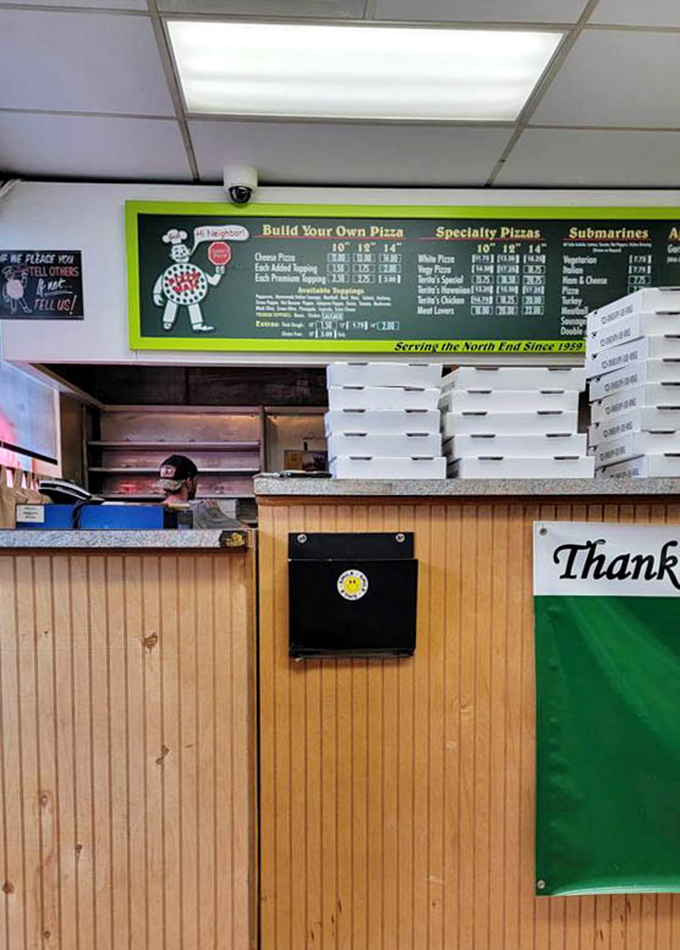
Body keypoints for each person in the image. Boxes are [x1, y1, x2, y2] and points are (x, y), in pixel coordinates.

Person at [157, 454, 242, 529]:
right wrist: (217, 514)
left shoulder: (152, 512)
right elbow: (246, 533)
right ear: (188, 482)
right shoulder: (202, 510)